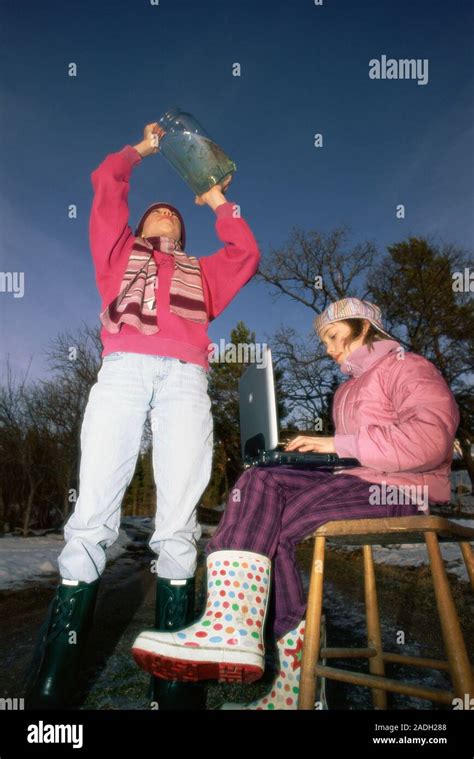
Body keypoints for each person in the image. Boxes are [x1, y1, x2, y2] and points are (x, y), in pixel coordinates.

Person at [24, 123, 261, 709]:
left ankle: (174, 675)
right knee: (95, 499)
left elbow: (246, 254)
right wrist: (146, 148)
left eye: (174, 217)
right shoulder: (117, 250)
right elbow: (107, 183)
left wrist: (215, 201)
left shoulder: (202, 274)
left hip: (186, 379)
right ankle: (57, 669)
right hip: (125, 370)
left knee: (178, 514)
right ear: (141, 224)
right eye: (158, 213)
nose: (166, 218)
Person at [131, 297, 460, 710]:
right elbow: (357, 454)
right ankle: (234, 627)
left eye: (334, 337)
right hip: (356, 480)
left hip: (403, 490)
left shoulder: (409, 367)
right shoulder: (346, 390)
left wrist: (338, 444)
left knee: (277, 525)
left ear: (363, 329)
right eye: (325, 340)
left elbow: (430, 442)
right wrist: (311, 457)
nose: (327, 348)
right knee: (260, 478)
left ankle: (283, 677)